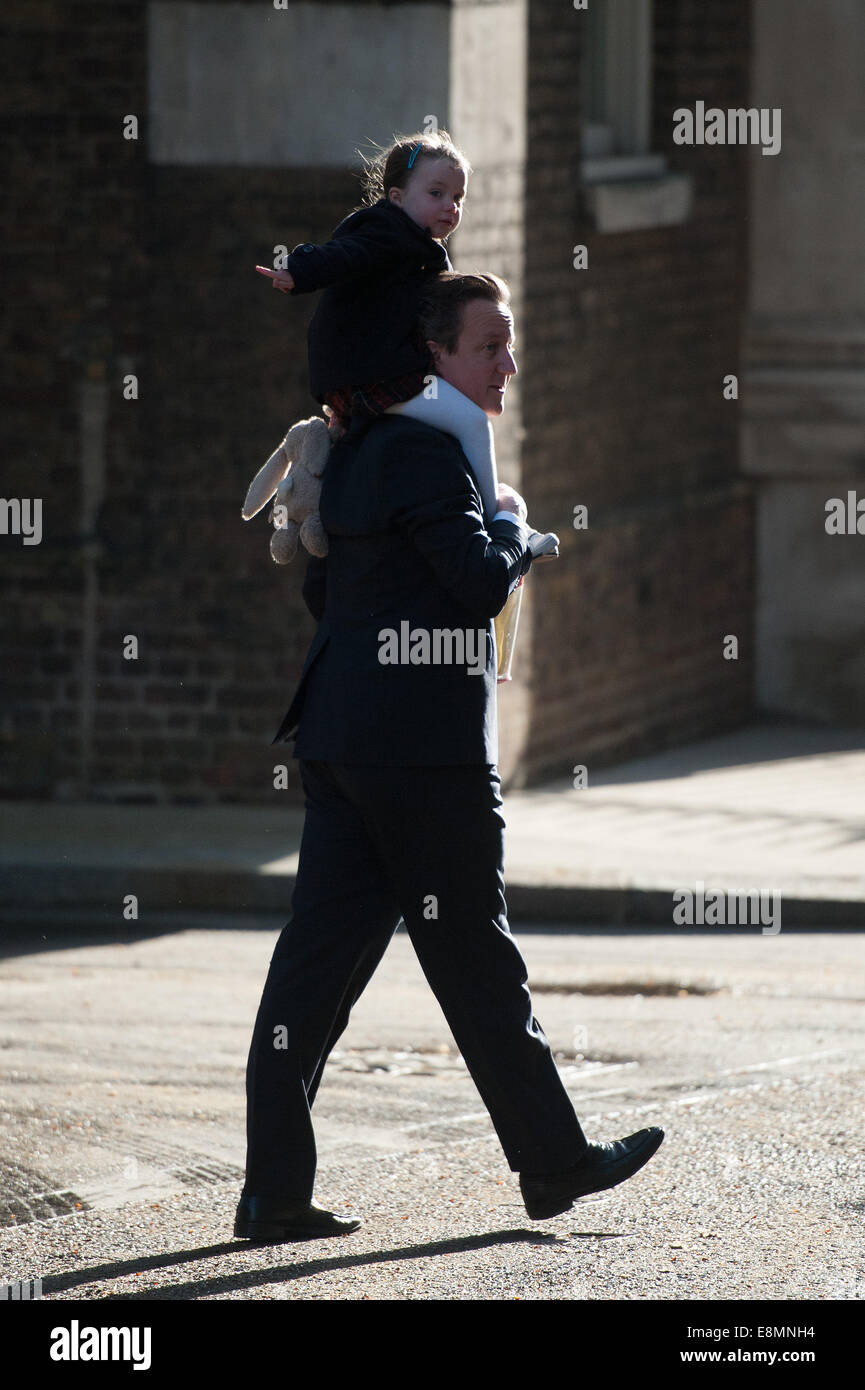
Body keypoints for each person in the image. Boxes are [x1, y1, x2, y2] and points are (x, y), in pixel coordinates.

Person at [233, 272, 664, 1242]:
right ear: (433, 356)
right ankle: (552, 1161)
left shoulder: (355, 451)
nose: (507, 362)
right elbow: (475, 585)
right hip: (420, 756)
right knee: (475, 959)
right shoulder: (429, 455)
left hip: (343, 738)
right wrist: (515, 527)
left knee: (315, 970)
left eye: (508, 344)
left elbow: (325, 598)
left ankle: (274, 1191)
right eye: (489, 345)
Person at [255, 128, 503, 521]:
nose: (450, 206)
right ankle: (496, 517)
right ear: (397, 197)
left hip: (375, 371)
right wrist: (298, 271)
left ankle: (471, 500)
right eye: (436, 193)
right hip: (368, 378)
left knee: (459, 412)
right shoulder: (384, 231)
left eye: (458, 198)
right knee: (472, 422)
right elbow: (343, 255)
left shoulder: (423, 250)